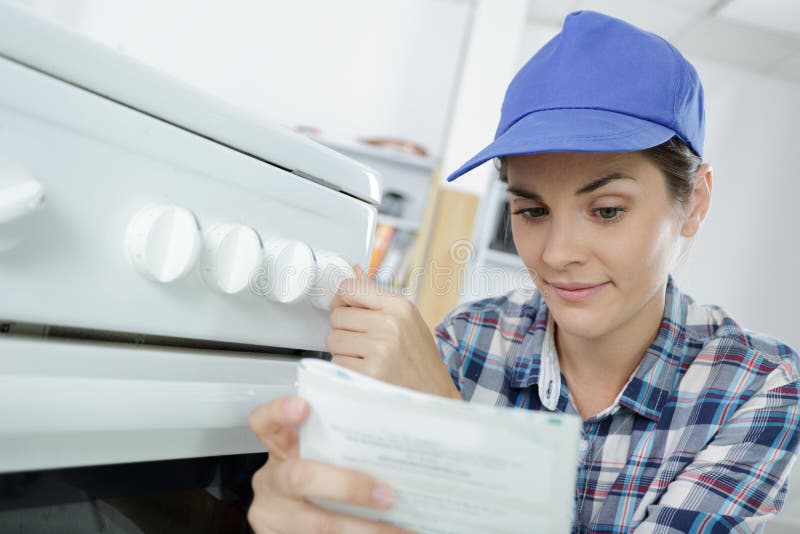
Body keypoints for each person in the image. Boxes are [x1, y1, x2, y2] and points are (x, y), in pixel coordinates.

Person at [246, 10, 800, 533]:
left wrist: (446, 420)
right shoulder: (466, 342)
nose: (557, 253)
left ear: (695, 201)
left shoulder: (758, 386)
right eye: (532, 210)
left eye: (607, 210)